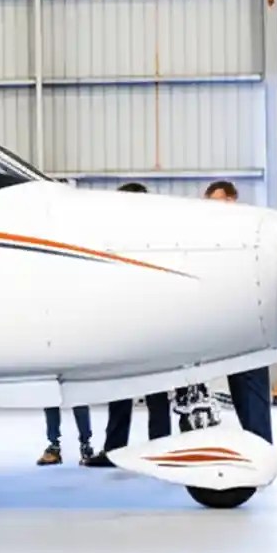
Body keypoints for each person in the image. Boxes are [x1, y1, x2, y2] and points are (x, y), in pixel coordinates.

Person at [83, 182, 173, 468]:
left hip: (153, 323)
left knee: (157, 391)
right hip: (121, 323)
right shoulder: (111, 240)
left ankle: (159, 449)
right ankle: (114, 450)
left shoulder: (160, 241)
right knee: (118, 390)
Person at [202, 179, 274, 443]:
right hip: (225, 327)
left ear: (232, 201)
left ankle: (261, 447)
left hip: (249, 327)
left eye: (217, 203)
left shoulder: (251, 235)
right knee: (235, 394)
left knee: (252, 393)